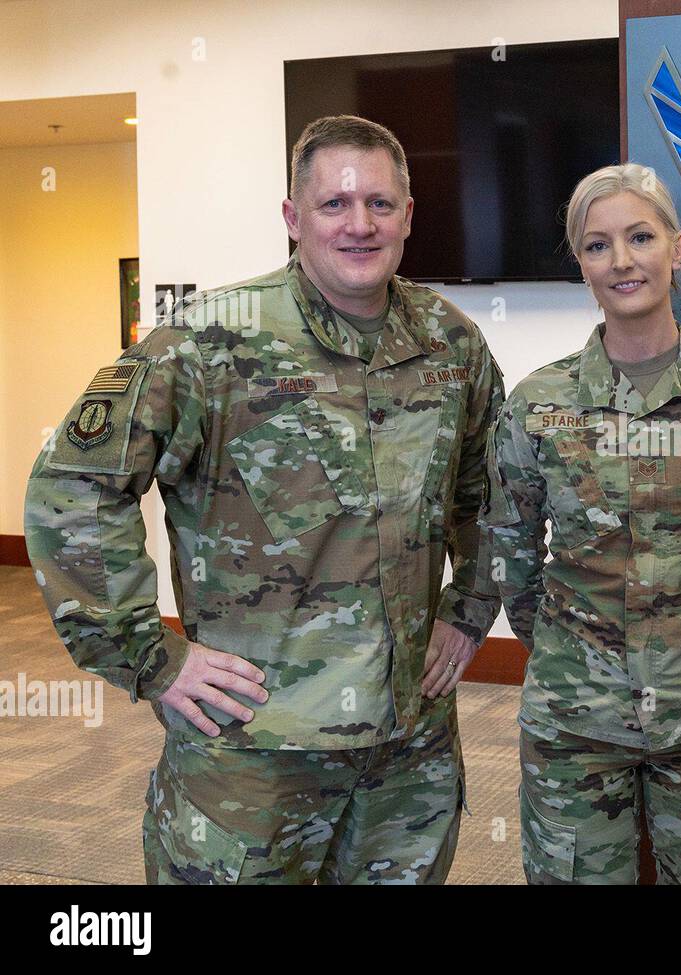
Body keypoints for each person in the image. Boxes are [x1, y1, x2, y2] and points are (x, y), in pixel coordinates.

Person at [24, 115, 504, 884]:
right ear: (292, 218)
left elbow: (489, 489)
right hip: (253, 755)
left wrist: (471, 606)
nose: (359, 224)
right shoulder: (211, 339)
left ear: (409, 217)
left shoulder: (451, 344)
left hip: (406, 753)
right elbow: (73, 489)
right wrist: (153, 658)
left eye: (380, 204)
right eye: (334, 205)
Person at [483, 163, 681, 884]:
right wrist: (576, 657)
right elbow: (513, 556)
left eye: (640, 236)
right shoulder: (539, 405)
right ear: (582, 266)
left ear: (676, 249)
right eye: (597, 245)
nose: (621, 261)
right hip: (575, 721)